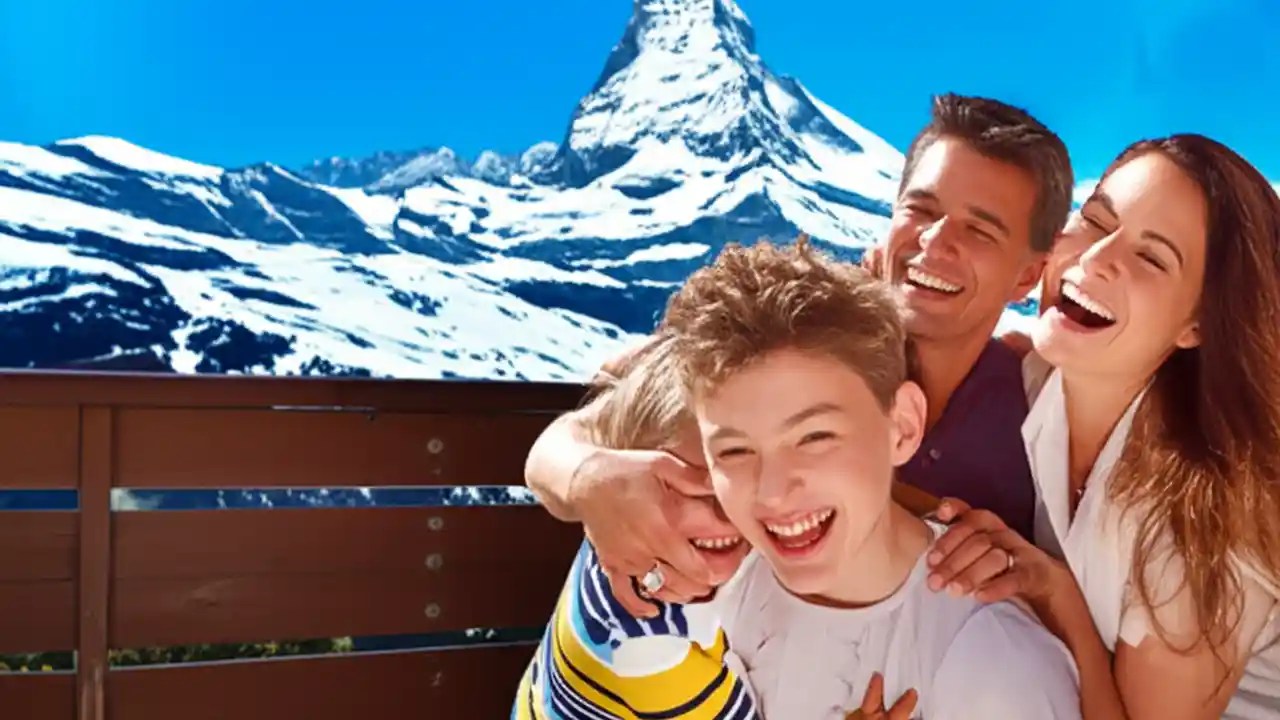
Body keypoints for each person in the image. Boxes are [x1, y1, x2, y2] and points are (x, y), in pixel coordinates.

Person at [522, 93, 1075, 615]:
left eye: (980, 231)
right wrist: (591, 482)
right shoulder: (793, 337)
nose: (934, 242)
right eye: (921, 210)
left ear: (1028, 276)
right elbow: (565, 442)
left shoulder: (1036, 407)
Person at [923, 134, 1280, 719]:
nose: (1094, 257)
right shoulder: (1041, 376)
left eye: (1152, 258)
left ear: (1198, 324)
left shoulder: (1200, 525)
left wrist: (1055, 593)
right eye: (1094, 220)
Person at [658, 237, 1081, 718]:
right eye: (734, 451)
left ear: (902, 427)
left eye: (814, 437)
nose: (772, 493)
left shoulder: (995, 667)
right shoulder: (706, 581)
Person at [513, 333, 760, 720]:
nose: (725, 508)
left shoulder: (625, 520)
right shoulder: (653, 650)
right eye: (690, 484)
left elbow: (615, 377)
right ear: (630, 472)